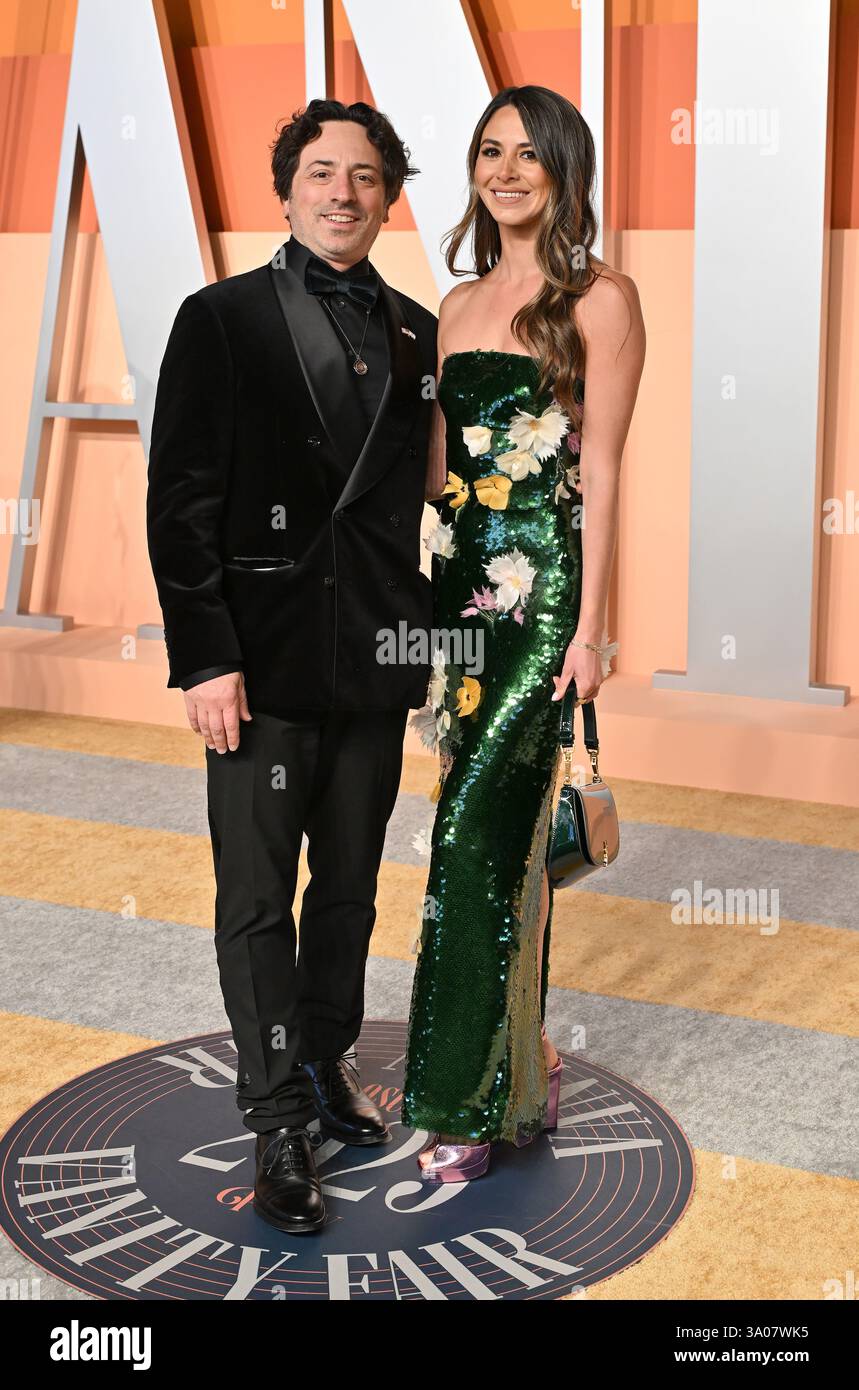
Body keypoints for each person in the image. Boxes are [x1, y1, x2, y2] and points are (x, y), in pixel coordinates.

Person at [146, 99, 437, 1232]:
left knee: (352, 893)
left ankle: (324, 1066)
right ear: (286, 190)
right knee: (258, 900)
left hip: (370, 661)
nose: (341, 193)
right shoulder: (218, 318)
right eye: (321, 172)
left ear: (386, 194)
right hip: (257, 671)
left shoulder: (417, 332)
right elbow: (182, 504)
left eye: (365, 177)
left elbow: (429, 502)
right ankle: (274, 1117)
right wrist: (205, 659)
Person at [400, 85, 645, 1181]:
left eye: (526, 154)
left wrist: (593, 629)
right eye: (487, 152)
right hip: (462, 600)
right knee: (494, 846)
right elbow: (440, 479)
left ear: (562, 169)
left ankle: (459, 1105)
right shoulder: (452, 306)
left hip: (543, 597)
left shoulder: (600, 297)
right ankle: (519, 1074)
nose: (504, 171)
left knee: (464, 845)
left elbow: (600, 473)